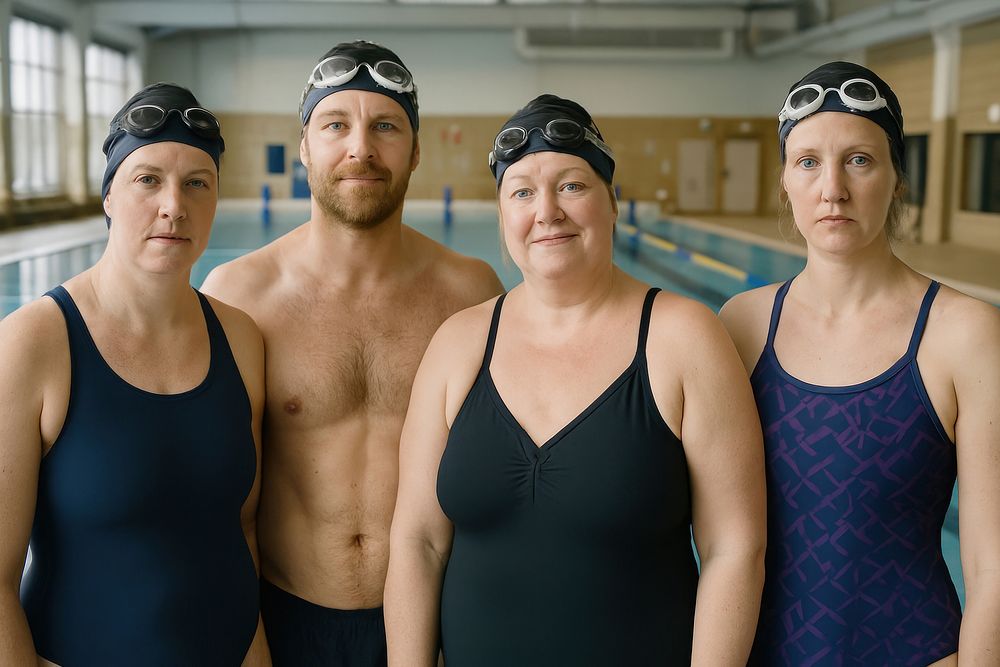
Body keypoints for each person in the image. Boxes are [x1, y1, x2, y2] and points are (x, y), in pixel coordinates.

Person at [384, 94, 767, 666]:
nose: (547, 212)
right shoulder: (458, 344)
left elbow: (733, 548)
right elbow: (418, 542)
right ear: (502, 218)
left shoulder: (684, 337)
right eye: (522, 192)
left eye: (571, 185)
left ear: (611, 203)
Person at [200, 40, 503, 666]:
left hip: (437, 621)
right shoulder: (240, 294)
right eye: (335, 125)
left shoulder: (471, 291)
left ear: (416, 151)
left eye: (385, 126)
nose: (360, 148)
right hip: (284, 619)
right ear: (306, 146)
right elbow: (210, 495)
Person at [719, 61, 1000, 666]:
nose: (833, 189)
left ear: (898, 177)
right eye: (809, 162)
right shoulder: (740, 326)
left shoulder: (964, 334)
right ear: (786, 182)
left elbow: (993, 563)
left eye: (860, 160)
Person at [0, 83, 269, 665]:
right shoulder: (36, 342)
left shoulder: (240, 338)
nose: (174, 205)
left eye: (197, 183)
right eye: (147, 179)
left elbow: (239, 532)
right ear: (109, 197)